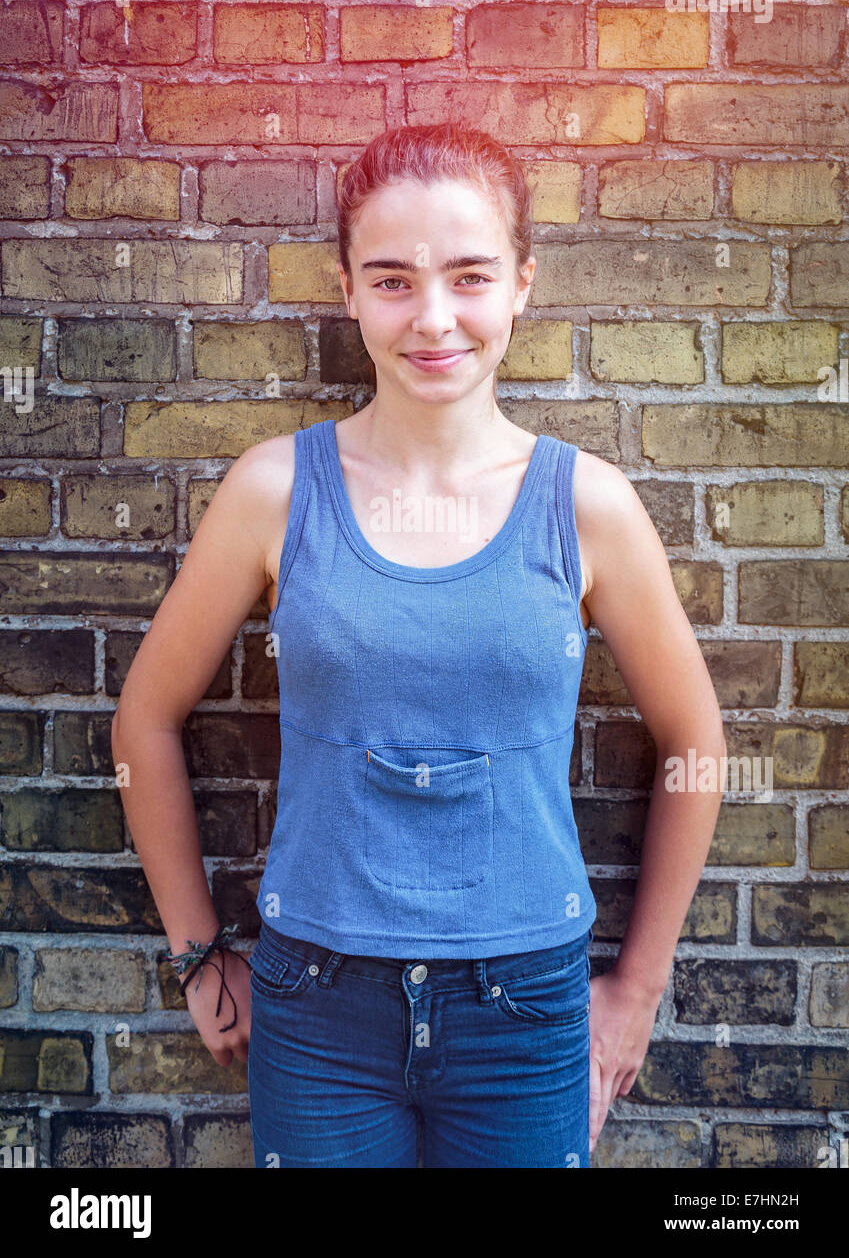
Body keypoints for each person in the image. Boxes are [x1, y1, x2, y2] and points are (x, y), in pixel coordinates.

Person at [112, 121, 726, 1168]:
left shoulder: (586, 507)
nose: (434, 318)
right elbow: (144, 719)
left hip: (523, 1010)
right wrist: (197, 952)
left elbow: (695, 742)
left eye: (471, 276)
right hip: (318, 1008)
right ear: (346, 287)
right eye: (393, 281)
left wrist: (637, 989)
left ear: (523, 284)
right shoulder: (275, 490)